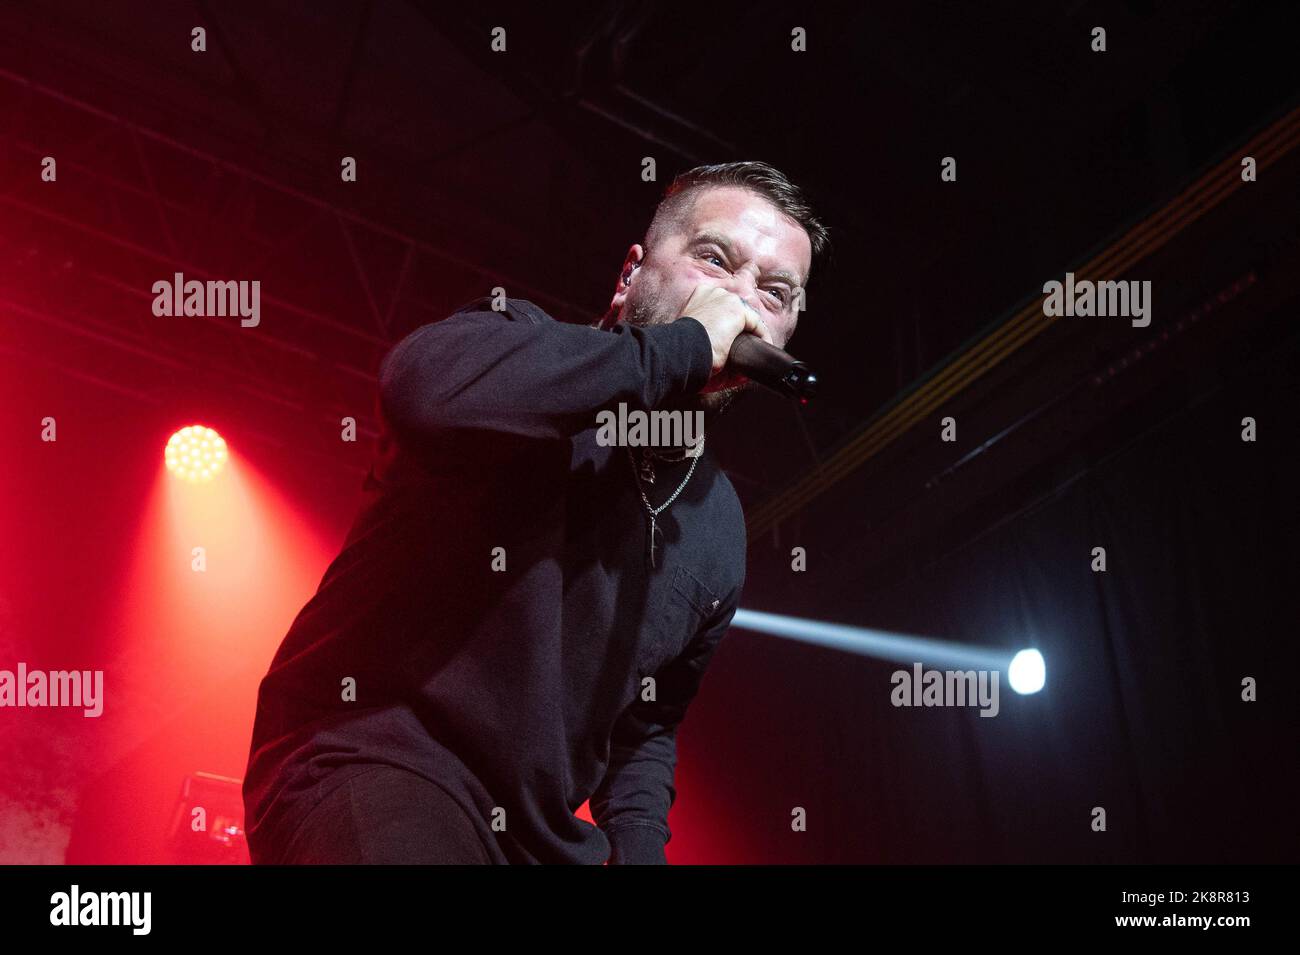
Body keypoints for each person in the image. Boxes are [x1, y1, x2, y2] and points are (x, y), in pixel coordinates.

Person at [242, 161, 830, 864]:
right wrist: (683, 347)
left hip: (536, 836)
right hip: (371, 757)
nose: (740, 302)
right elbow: (425, 393)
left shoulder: (718, 523)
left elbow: (645, 725)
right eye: (714, 259)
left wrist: (640, 852)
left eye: (774, 292)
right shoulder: (524, 354)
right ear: (629, 275)